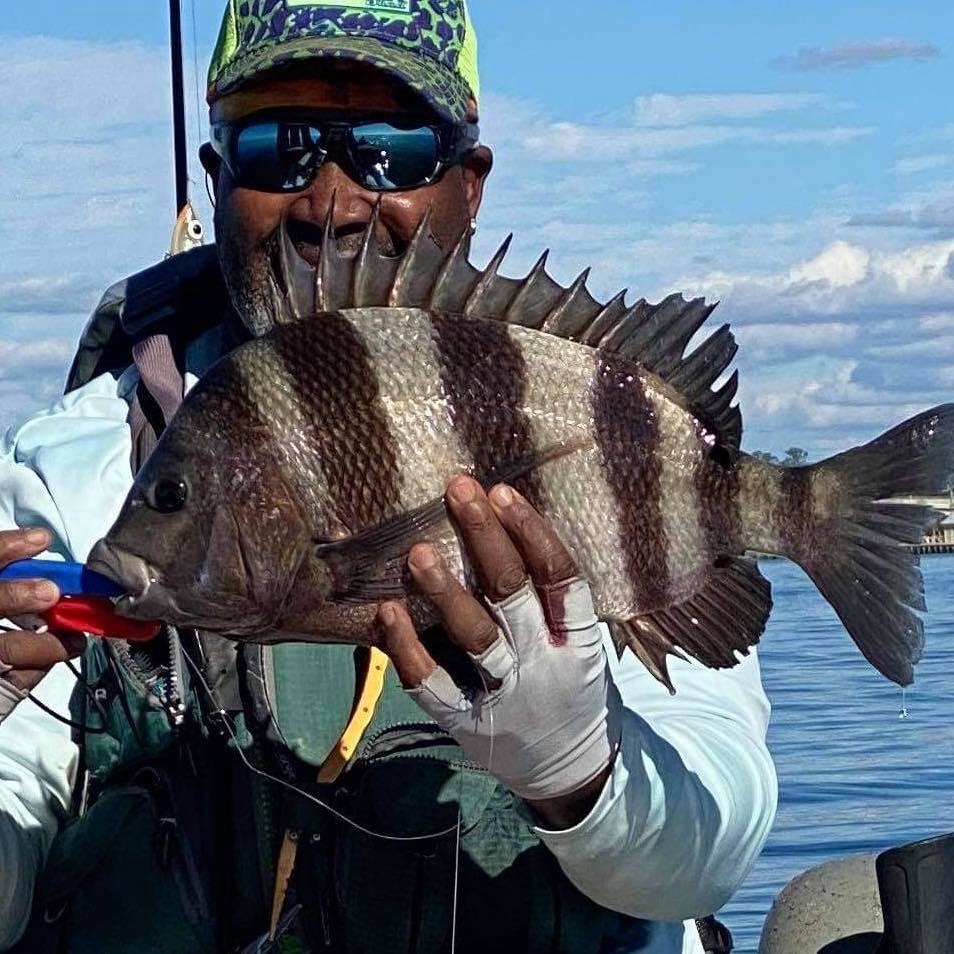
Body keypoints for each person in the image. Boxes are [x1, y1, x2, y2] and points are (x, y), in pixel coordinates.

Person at [0, 3, 777, 952]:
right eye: (278, 143)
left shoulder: (593, 417)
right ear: (217, 176)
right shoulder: (72, 478)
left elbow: (712, 850)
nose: (333, 197)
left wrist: (580, 770)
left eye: (393, 143)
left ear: (470, 182)